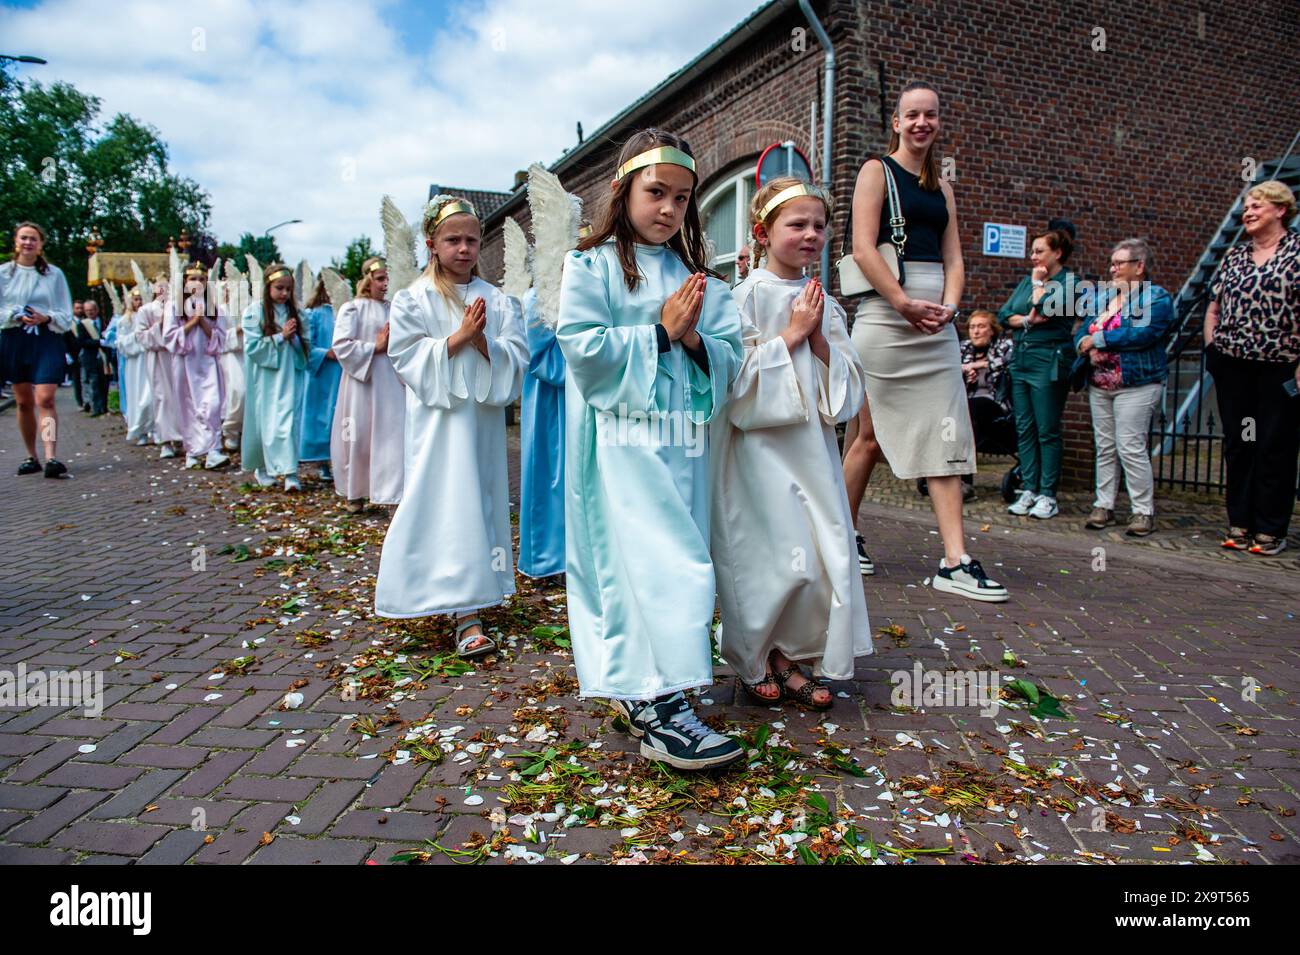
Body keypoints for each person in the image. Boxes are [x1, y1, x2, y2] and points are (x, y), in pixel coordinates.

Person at [557, 129, 745, 770]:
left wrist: (694, 343)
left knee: (684, 560)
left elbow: (729, 358)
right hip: (619, 452)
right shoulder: (591, 266)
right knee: (642, 565)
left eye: (683, 198)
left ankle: (657, 691)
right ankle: (658, 703)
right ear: (623, 190)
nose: (668, 208)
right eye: (656, 192)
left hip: (681, 447)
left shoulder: (699, 279)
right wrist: (659, 334)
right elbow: (582, 348)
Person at [711, 176, 871, 709]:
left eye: (819, 226)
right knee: (770, 553)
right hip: (760, 453)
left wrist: (820, 337)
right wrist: (790, 337)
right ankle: (755, 656)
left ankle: (791, 654)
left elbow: (845, 389)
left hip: (811, 449)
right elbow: (731, 383)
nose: (810, 235)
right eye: (796, 224)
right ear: (762, 231)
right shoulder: (742, 299)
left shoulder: (824, 302)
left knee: (817, 554)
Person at [846, 81, 1008, 602]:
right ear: (896, 122)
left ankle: (955, 560)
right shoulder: (877, 171)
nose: (922, 123)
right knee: (867, 437)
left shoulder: (943, 186)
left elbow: (954, 257)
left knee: (948, 431)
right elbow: (862, 247)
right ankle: (840, 537)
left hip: (936, 321)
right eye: (912, 115)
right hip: (886, 316)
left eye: (931, 115)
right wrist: (901, 301)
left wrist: (951, 308)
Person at [373, 196, 527, 648]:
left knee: (474, 504)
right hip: (437, 426)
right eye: (453, 240)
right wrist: (458, 338)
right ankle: (428, 590)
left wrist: (485, 346)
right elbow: (404, 355)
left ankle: (469, 610)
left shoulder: (497, 300)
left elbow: (517, 358)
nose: (464, 249)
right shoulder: (412, 299)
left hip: (478, 427)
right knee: (437, 502)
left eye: (472, 240)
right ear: (431, 244)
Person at [1203, 179, 1300, 555]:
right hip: (1235, 368)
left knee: (1274, 445)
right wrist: (1214, 350)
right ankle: (1240, 522)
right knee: (1242, 442)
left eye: (1257, 205)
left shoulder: (1295, 252)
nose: (1248, 212)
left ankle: (1271, 528)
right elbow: (1214, 306)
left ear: (1280, 210)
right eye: (1246, 206)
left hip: (1279, 368)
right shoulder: (1235, 256)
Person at [1074, 239, 1174, 536]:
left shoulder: (1156, 298)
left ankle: (1142, 511)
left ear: (1139, 266)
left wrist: (1099, 340)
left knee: (1130, 446)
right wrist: (1082, 344)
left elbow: (1142, 333)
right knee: (1105, 447)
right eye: (1112, 262)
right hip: (1100, 383)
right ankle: (1103, 505)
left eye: (1119, 263)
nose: (1112, 268)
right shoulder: (1104, 297)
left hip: (1136, 383)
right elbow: (1082, 329)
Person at [999, 227, 1079, 519]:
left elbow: (1045, 306)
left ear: (1057, 253)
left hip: (1048, 360)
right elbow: (1004, 315)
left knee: (1046, 428)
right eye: (1032, 251)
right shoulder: (1026, 280)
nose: (1033, 257)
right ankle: (1029, 488)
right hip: (1021, 360)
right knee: (1025, 426)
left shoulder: (1069, 282)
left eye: (1039, 251)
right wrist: (1028, 320)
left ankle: (1048, 494)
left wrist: (1037, 288)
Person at [331, 256, 404, 512]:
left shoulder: (396, 307)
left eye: (388, 278)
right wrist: (375, 347)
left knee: (391, 435)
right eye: (380, 278)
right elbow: (341, 344)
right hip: (362, 380)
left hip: (391, 382)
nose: (385, 283)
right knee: (359, 436)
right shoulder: (353, 308)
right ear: (368, 279)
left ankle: (390, 492)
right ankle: (356, 493)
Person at [1, 221, 74, 478]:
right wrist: (14, 315)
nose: (28, 242)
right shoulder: (3, 273)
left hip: (46, 338)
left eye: (33, 238)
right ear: (16, 242)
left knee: (45, 398)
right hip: (15, 338)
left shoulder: (54, 274)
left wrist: (47, 317)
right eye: (24, 238)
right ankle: (31, 455)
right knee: (23, 401)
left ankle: (51, 455)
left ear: (41, 244)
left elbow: (66, 312)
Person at [242, 264, 309, 489]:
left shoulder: (297, 314)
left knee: (288, 421)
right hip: (266, 378)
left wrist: (295, 339)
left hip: (290, 375)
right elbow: (252, 346)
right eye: (279, 288)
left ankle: (290, 472)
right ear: (268, 286)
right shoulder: (254, 312)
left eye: (288, 289)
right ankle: (262, 468)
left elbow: (307, 344)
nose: (284, 294)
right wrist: (280, 337)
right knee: (265, 422)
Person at [518, 285, 567, 579]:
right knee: (549, 474)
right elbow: (539, 356)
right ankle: (548, 559)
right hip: (548, 398)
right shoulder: (537, 297)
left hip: (585, 393)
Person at [165, 264, 228, 469]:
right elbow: (169, 337)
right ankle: (193, 450)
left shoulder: (213, 307)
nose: (198, 283)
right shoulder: (174, 306)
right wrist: (193, 321)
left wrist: (203, 322)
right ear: (184, 282)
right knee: (189, 406)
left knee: (213, 404)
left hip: (207, 362)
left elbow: (220, 337)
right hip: (185, 362)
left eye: (202, 279)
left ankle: (214, 449)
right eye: (193, 279)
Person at [955, 308, 1016, 497]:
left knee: (971, 407)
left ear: (992, 330)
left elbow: (1009, 361)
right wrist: (964, 373)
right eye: (972, 327)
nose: (976, 331)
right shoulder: (964, 348)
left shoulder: (1004, 346)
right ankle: (961, 479)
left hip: (997, 408)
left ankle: (964, 480)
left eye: (981, 326)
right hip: (969, 411)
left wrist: (980, 365)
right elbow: (949, 369)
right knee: (959, 413)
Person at [299, 278, 342, 482]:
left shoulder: (343, 310)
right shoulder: (313, 314)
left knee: (338, 415)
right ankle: (322, 461)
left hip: (342, 371)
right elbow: (306, 344)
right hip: (322, 371)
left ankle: (338, 460)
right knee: (320, 415)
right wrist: (325, 353)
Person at [140, 281, 183, 458]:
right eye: (160, 286)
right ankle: (166, 441)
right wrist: (160, 325)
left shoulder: (180, 307)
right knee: (163, 398)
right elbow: (141, 336)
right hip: (158, 358)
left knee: (181, 397)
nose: (164, 290)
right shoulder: (146, 310)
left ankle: (181, 438)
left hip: (179, 356)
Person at [114, 287, 155, 445]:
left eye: (141, 299)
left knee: (151, 395)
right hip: (134, 363)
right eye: (136, 299)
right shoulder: (125, 320)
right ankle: (141, 431)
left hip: (148, 359)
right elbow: (121, 343)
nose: (139, 302)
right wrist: (138, 337)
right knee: (137, 396)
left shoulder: (151, 316)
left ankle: (154, 428)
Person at [75, 298, 110, 416]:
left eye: (92, 310)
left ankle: (104, 407)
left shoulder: (105, 322)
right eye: (87, 310)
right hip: (90, 357)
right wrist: (99, 342)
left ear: (97, 310)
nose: (90, 312)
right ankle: (95, 408)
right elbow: (82, 341)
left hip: (104, 357)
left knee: (104, 383)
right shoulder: (82, 325)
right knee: (93, 383)